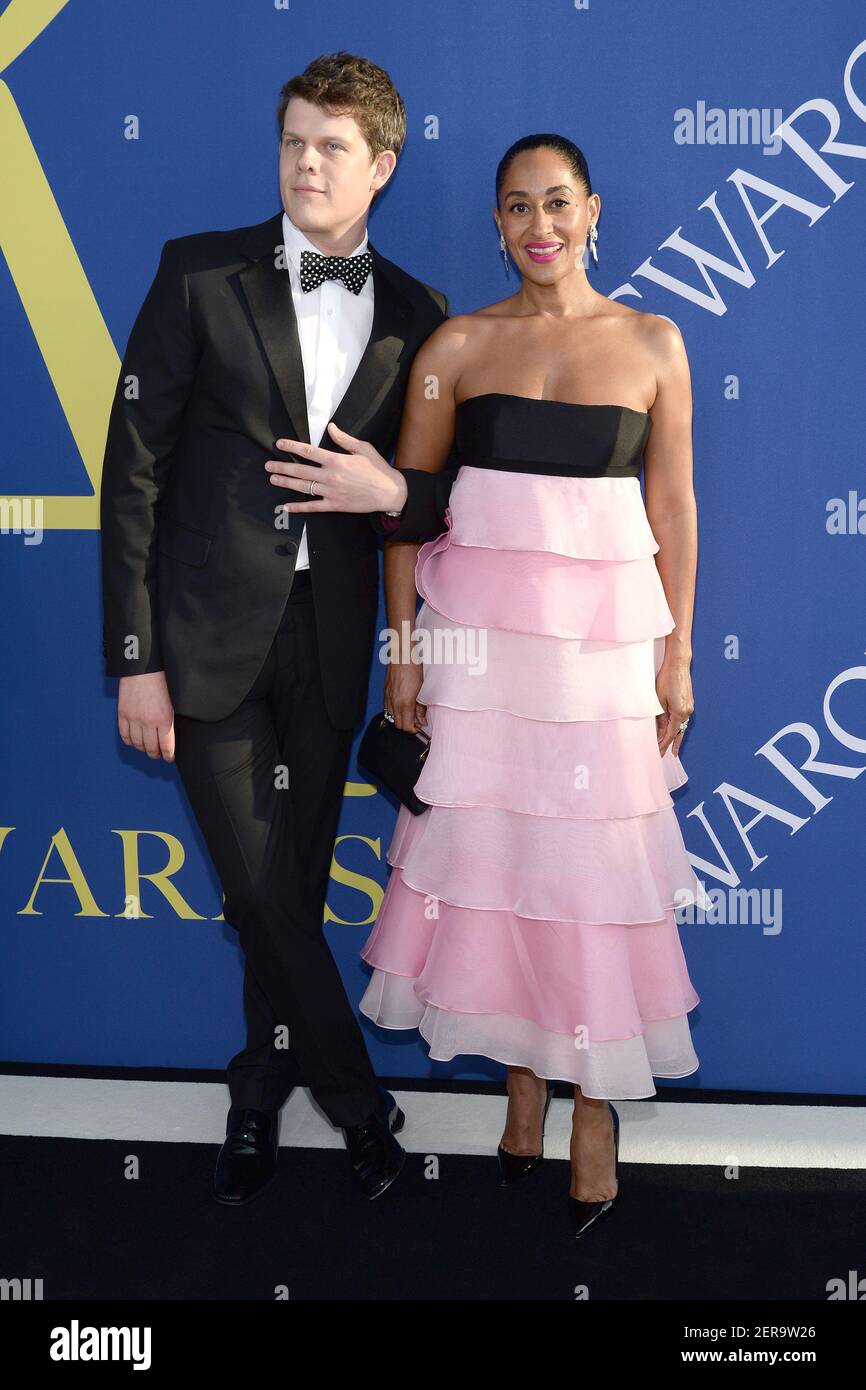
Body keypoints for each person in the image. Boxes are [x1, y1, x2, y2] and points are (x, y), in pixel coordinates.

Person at [267, 133, 706, 1238]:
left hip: (600, 661)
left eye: (557, 203)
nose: (539, 225)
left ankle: (591, 1108)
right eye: (517, 207)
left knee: (593, 879)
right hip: (478, 656)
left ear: (593, 210)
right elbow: (407, 510)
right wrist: (405, 651)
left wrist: (677, 651)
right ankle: (521, 1080)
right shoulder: (454, 345)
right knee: (495, 870)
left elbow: (672, 513)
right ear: (496, 223)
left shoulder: (654, 342)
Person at [99, 52, 450, 1204]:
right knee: (254, 888)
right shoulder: (197, 273)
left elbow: (454, 497)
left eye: (331, 146)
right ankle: (361, 1107)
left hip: (331, 638)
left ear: (381, 166)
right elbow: (134, 472)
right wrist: (135, 661)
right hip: (203, 637)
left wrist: (390, 494)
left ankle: (257, 1090)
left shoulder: (416, 315)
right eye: (293, 139)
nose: (305, 161)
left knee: (289, 893)